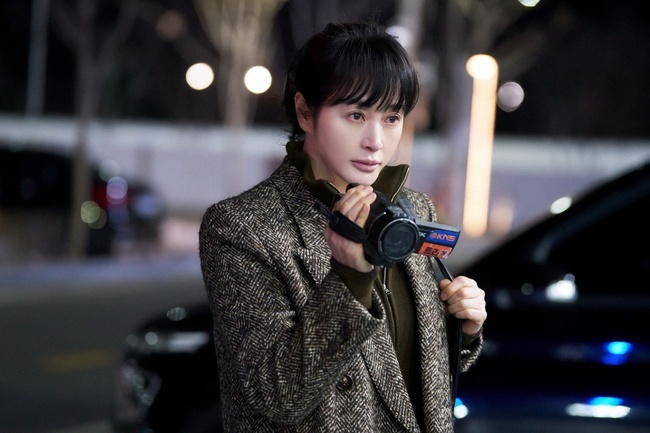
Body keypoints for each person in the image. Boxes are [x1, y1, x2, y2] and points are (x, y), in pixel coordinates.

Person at [199, 20, 487, 433]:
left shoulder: (412, 208)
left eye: (391, 117)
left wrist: (462, 329)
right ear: (305, 112)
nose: (376, 141)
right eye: (355, 115)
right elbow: (274, 396)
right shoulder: (243, 228)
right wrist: (349, 280)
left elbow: (406, 373)